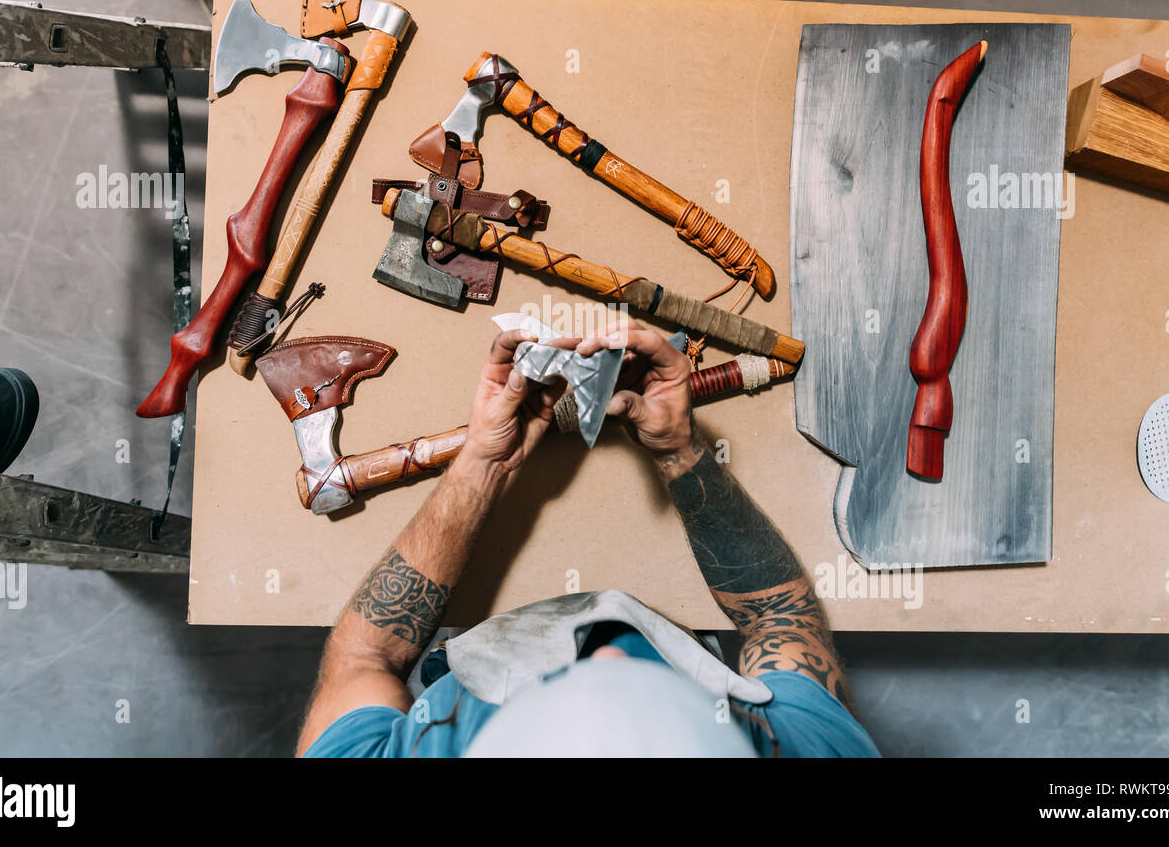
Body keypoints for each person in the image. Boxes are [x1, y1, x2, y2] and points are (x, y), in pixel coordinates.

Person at [297, 317, 878, 757]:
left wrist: (483, 462)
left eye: (558, 691)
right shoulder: (796, 747)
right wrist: (678, 450)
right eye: (648, 697)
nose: (604, 653)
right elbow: (780, 619)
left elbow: (365, 657)